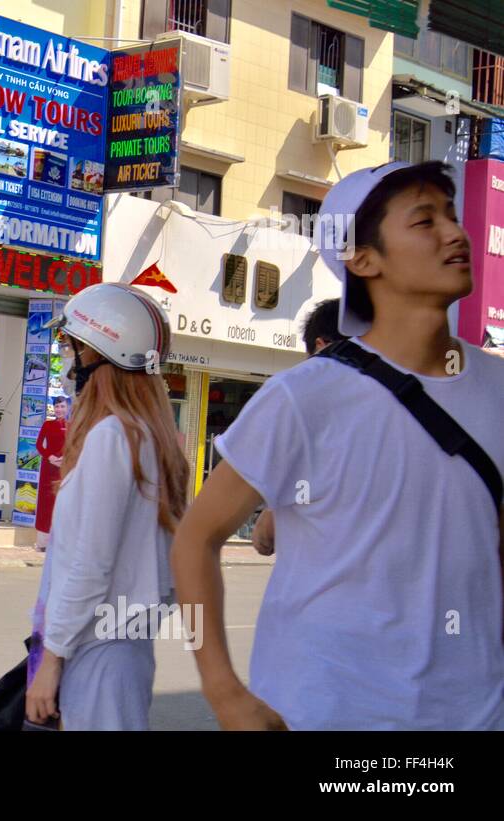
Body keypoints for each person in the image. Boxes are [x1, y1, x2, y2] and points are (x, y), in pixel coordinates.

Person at [171, 161, 504, 730]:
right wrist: (224, 692)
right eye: (424, 221)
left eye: (452, 214)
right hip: (326, 716)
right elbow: (194, 540)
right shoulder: (304, 397)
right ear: (363, 258)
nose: (456, 233)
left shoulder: (498, 389)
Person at [24, 284, 189, 731]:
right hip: (123, 650)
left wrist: (52, 659)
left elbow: (89, 564)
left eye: (73, 347)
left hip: (93, 652)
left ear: (101, 354)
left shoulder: (112, 438)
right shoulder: (149, 439)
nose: (66, 361)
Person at [249, 297, 346, 556]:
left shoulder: (302, 403)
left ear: (321, 346)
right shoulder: (396, 410)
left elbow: (263, 536)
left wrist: (268, 521)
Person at [34, 395, 68, 551]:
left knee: (62, 502)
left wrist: (65, 458)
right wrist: (50, 457)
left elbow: (77, 444)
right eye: (57, 406)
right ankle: (43, 542)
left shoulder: (73, 425)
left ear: (67, 408)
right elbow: (39, 445)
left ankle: (60, 542)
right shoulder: (47, 425)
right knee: (46, 502)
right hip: (48, 469)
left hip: (65, 469)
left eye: (62, 406)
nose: (59, 409)